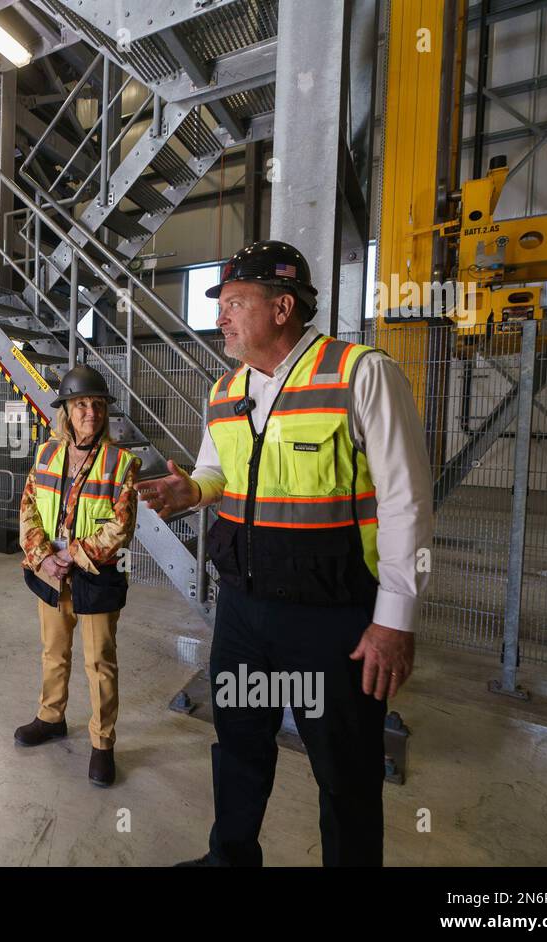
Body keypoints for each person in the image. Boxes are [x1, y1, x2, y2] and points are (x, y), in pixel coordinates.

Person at [137, 241, 432, 866]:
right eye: (221, 304)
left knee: (344, 771)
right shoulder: (225, 391)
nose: (221, 316)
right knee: (239, 744)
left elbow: (407, 500)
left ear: (283, 307)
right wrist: (191, 489)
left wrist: (393, 620)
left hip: (334, 620)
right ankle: (230, 859)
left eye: (235, 302)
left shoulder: (359, 373)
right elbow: (216, 473)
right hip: (244, 613)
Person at [16, 366, 140, 787]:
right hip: (51, 575)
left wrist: (73, 553)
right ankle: (51, 717)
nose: (90, 411)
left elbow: (120, 527)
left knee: (99, 662)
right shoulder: (46, 454)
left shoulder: (122, 463)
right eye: (81, 404)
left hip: (96, 577)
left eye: (98, 404)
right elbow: (28, 508)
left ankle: (102, 744)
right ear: (66, 411)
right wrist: (41, 557)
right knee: (53, 653)